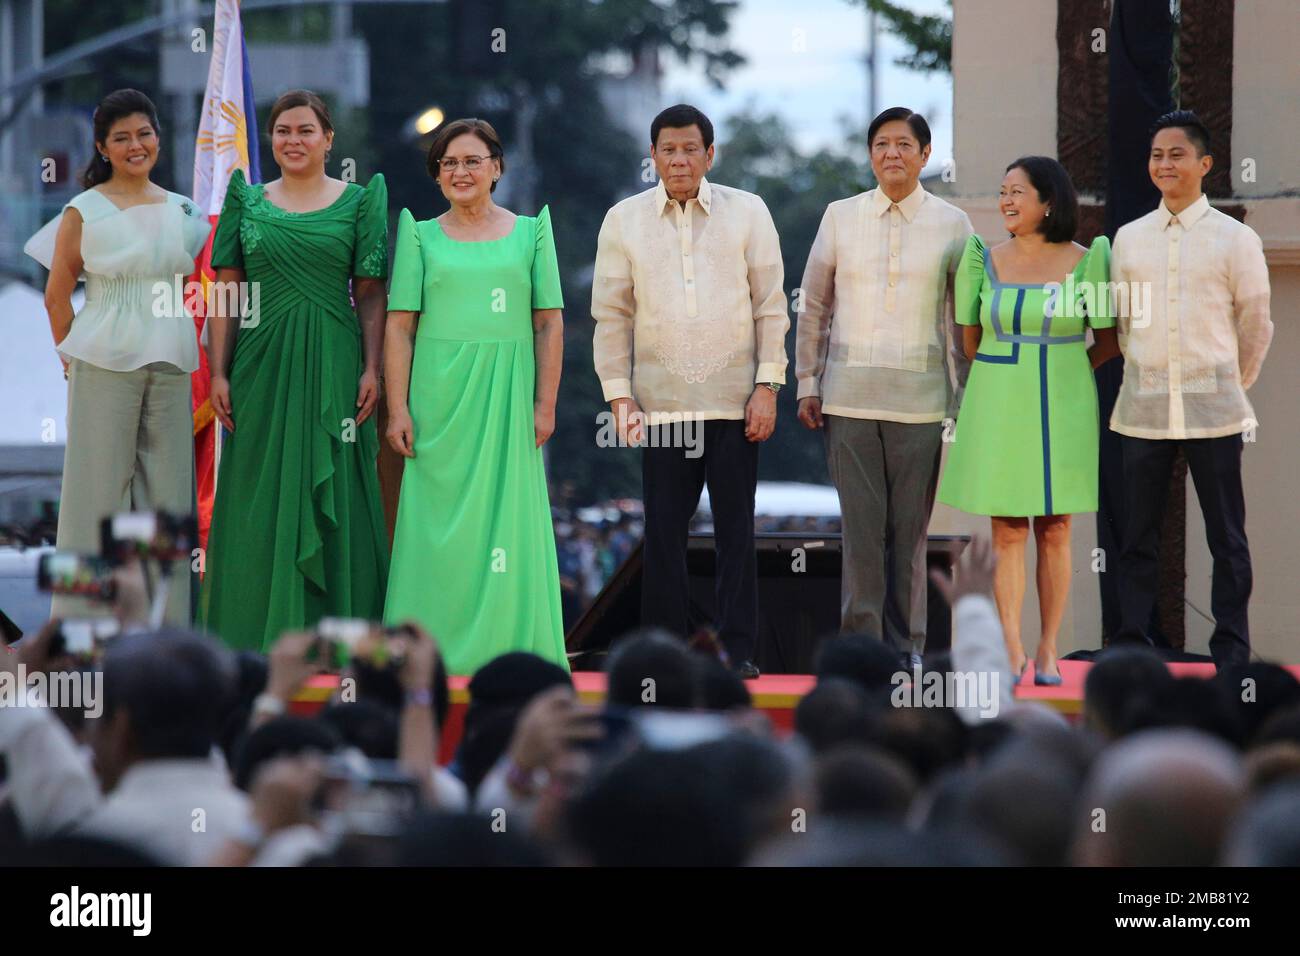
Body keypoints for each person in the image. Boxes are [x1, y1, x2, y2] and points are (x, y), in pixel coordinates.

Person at [592, 104, 789, 679]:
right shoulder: (623, 220)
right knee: (662, 536)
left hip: (734, 400)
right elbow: (610, 315)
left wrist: (767, 386)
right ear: (651, 156)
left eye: (690, 149)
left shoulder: (748, 212)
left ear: (711, 153)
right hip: (660, 405)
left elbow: (771, 306)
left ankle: (736, 652)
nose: (679, 160)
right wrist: (619, 395)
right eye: (667, 150)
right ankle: (665, 654)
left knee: (736, 533)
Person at [200, 90, 390, 651]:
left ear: (329, 139)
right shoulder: (246, 198)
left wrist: (371, 366)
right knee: (257, 498)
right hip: (259, 367)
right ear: (271, 139)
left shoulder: (361, 201)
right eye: (282, 131)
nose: (293, 140)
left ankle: (340, 648)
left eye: (306, 130)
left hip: (335, 360)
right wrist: (219, 372)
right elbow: (227, 292)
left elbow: (372, 292)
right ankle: (252, 644)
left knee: (338, 497)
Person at [382, 118, 567, 676]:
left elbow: (549, 325)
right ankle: (428, 654)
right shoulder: (419, 235)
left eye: (472, 161)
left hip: (508, 399)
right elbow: (399, 328)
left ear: (497, 168)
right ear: (437, 175)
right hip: (437, 400)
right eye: (448, 164)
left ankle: (509, 654)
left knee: (507, 525)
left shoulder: (532, 233)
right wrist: (398, 407)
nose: (460, 172)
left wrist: (544, 404)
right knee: (435, 529)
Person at [796, 107, 973, 668]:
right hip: (847, 397)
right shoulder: (840, 217)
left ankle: (908, 651)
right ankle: (861, 653)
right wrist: (807, 380)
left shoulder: (953, 224)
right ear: (869, 154)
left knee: (910, 537)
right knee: (862, 535)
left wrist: (965, 399)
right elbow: (815, 304)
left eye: (903, 144)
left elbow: (964, 317)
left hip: (922, 404)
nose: (891, 154)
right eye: (880, 144)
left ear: (925, 155)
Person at [25, 89, 210, 625]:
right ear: (103, 147)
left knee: (167, 499)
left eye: (145, 134)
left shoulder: (184, 210)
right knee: (96, 495)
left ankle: (164, 629)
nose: (137, 145)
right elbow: (57, 296)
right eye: (122, 138)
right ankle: (80, 630)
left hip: (172, 357)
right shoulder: (82, 210)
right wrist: (69, 360)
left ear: (158, 138)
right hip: (102, 355)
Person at [937, 156, 1120, 685]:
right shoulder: (982, 259)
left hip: (1063, 403)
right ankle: (1013, 648)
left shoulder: (1091, 260)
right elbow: (970, 342)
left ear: (1050, 201)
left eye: (1018, 191)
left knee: (1058, 528)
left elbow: (1107, 341)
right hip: (999, 401)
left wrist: (1064, 371)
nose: (1007, 201)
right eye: (1003, 191)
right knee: (1009, 530)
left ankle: (1048, 649)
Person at [1110, 110, 1273, 669]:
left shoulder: (1236, 238)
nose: (1164, 163)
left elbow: (1256, 322)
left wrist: (1228, 383)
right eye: (1156, 154)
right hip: (1144, 407)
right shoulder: (1128, 240)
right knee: (1136, 537)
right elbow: (1126, 326)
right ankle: (1133, 643)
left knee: (1226, 537)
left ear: (1204, 164)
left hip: (1216, 409)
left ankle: (1230, 650)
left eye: (1176, 154)